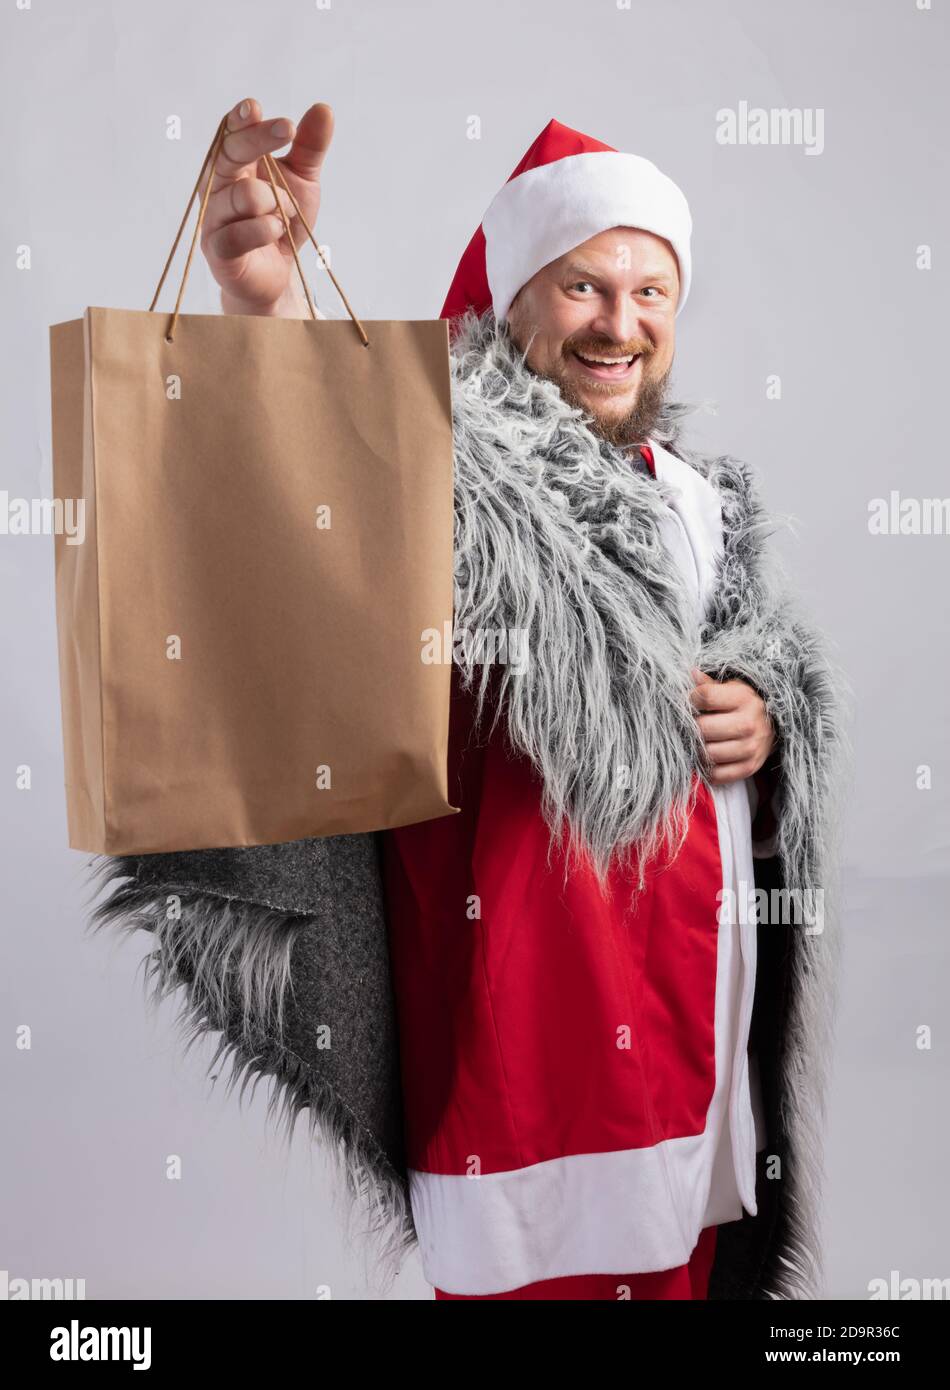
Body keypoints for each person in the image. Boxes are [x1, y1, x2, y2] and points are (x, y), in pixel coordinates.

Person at [93, 98, 847, 1300]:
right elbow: (320, 500)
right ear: (513, 301)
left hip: (696, 1040)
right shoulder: (442, 462)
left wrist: (766, 713)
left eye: (650, 293)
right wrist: (270, 309)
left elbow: (756, 664)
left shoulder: (703, 501)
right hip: (525, 1053)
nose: (620, 323)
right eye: (582, 287)